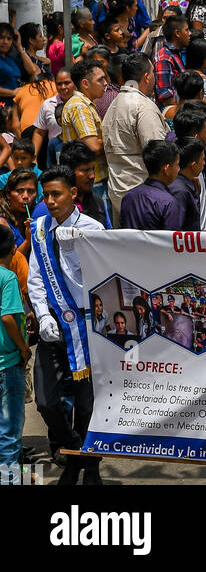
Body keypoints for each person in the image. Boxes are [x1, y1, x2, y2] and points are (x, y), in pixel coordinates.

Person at [29, 165, 104, 484]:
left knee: (87, 404)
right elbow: (35, 276)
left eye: (56, 194)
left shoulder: (93, 229)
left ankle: (88, 466)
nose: (50, 200)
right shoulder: (40, 228)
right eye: (46, 195)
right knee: (46, 400)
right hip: (52, 326)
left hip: (85, 329)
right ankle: (72, 447)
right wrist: (44, 315)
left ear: (73, 194)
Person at [101, 52, 168, 223]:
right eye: (153, 73)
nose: (154, 77)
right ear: (146, 77)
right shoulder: (143, 106)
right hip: (142, 194)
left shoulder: (114, 104)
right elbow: (157, 152)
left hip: (118, 191)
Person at [0, 219, 29, 474]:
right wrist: (23, 347)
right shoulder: (8, 277)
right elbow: (8, 317)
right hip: (7, 364)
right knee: (9, 433)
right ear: (12, 251)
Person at [60, 58, 109, 207]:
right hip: (92, 182)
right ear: (85, 83)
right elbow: (93, 146)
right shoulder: (79, 106)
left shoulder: (85, 104)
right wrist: (114, 141)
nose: (105, 83)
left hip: (94, 180)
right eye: (100, 79)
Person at [118, 140, 186, 229]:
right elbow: (171, 240)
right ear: (166, 169)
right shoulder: (168, 202)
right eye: (177, 165)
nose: (178, 169)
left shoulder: (128, 196)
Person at [153, 14, 189, 111]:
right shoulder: (165, 57)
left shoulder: (176, 53)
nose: (189, 33)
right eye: (186, 30)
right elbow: (166, 97)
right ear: (177, 33)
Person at [168, 138, 206, 229]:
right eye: (203, 160)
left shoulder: (189, 184)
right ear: (193, 165)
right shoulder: (180, 192)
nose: (204, 163)